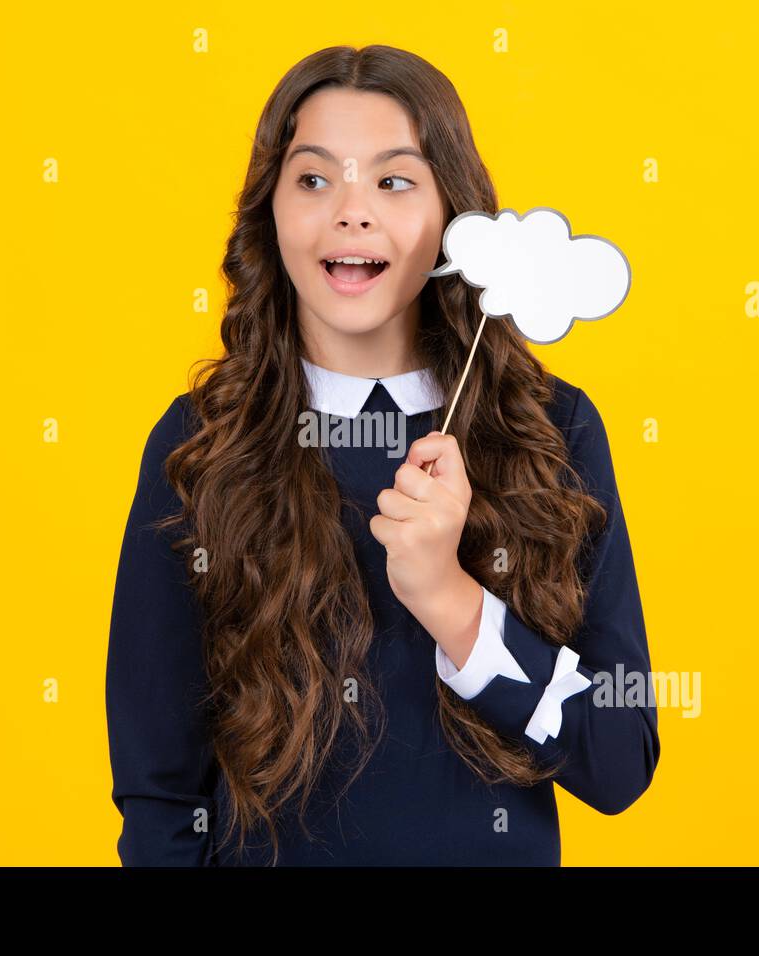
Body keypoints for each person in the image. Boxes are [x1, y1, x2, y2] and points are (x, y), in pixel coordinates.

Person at [105, 44, 658, 866]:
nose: (351, 213)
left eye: (394, 181)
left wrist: (451, 600)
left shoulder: (555, 431)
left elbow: (619, 761)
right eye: (315, 179)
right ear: (271, 215)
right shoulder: (197, 446)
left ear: (453, 220)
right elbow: (159, 799)